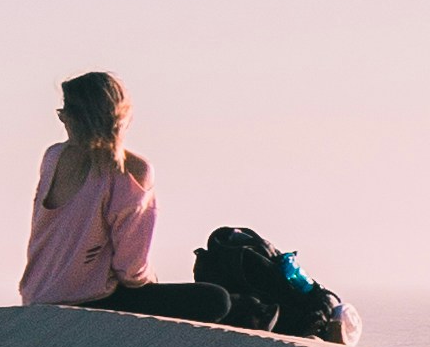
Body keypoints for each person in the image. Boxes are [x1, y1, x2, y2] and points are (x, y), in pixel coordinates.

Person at [18, 73, 265, 322]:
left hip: (38, 295)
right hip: (91, 301)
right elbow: (132, 272)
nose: (63, 122)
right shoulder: (131, 172)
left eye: (64, 114)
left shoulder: (54, 157)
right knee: (216, 299)